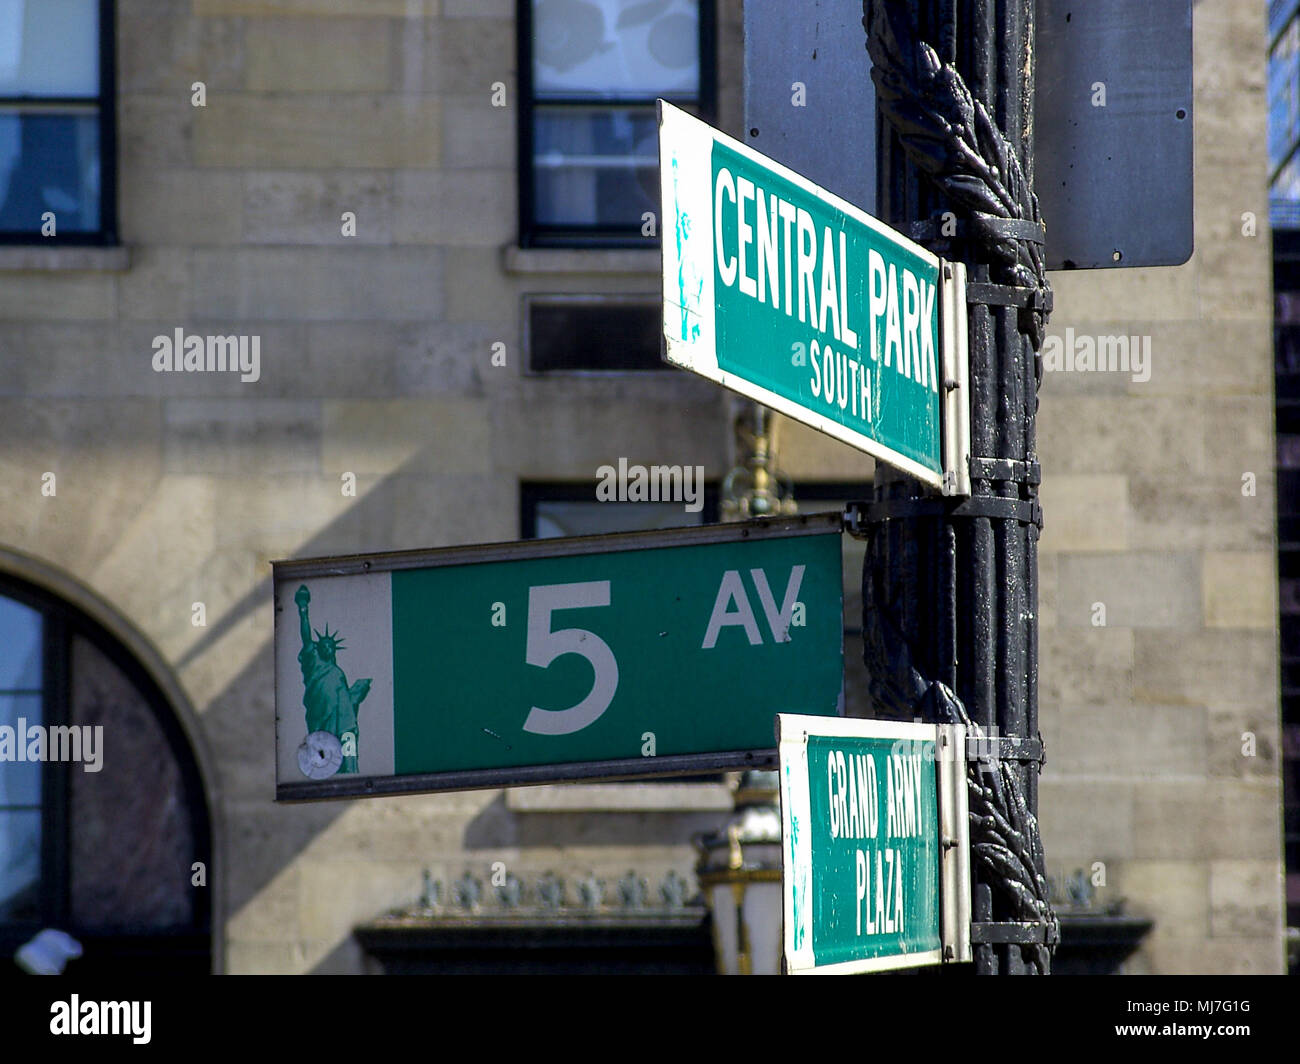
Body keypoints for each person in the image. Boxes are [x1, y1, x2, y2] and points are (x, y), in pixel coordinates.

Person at [294, 584, 371, 774]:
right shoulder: (314, 665)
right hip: (321, 714)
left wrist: (356, 694)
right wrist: (303, 611)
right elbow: (306, 638)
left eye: (331, 646)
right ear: (319, 649)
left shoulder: (337, 672)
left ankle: (350, 770)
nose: (328, 648)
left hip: (344, 719)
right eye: (324, 646)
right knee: (325, 750)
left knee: (347, 743)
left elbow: (346, 699)